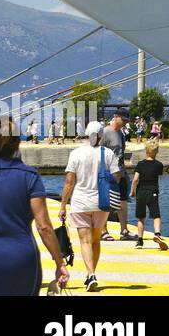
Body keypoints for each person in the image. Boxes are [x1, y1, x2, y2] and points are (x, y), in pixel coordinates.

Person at [0, 116, 71, 295]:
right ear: (17, 143)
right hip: (20, 257)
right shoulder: (29, 176)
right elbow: (43, 226)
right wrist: (59, 262)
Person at [59, 120, 120, 292]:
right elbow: (117, 177)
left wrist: (63, 205)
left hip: (80, 203)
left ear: (86, 134)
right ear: (101, 135)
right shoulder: (107, 153)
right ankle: (91, 274)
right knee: (95, 241)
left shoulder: (76, 154)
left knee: (84, 241)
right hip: (101, 203)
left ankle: (90, 274)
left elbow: (69, 183)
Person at [100, 113, 134, 241]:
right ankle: (103, 231)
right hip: (108, 173)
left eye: (127, 120)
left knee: (123, 202)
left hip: (121, 172)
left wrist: (124, 173)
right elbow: (98, 152)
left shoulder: (121, 134)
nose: (125, 122)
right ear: (116, 117)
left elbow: (121, 153)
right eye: (123, 120)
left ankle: (124, 231)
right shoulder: (104, 132)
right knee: (106, 202)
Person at [130, 141, 168, 251]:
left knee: (141, 218)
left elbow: (135, 179)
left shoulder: (140, 164)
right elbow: (159, 176)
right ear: (157, 152)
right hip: (153, 192)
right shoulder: (159, 165)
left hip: (141, 193)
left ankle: (140, 241)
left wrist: (132, 191)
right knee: (156, 215)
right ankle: (157, 233)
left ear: (146, 151)